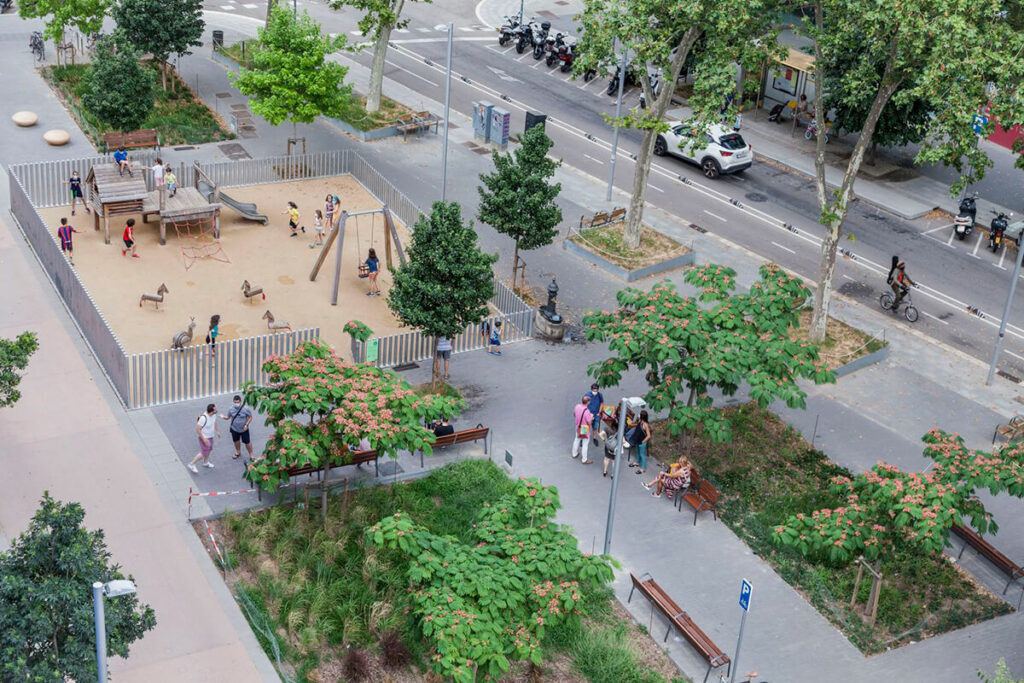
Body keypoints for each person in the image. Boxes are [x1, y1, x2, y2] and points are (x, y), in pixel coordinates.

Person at [188, 403, 220, 473]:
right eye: (215, 410)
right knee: (203, 453)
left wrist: (217, 431)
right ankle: (192, 464)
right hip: (204, 437)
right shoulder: (203, 418)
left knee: (209, 450)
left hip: (210, 436)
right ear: (211, 411)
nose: (216, 411)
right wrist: (204, 439)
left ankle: (206, 462)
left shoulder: (213, 415)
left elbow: (215, 422)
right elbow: (197, 429)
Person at [220, 395, 253, 460]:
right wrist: (223, 416)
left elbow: (250, 417)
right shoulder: (231, 409)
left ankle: (251, 455)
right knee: (236, 441)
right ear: (233, 402)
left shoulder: (246, 409)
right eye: (235, 402)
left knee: (247, 442)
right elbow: (228, 417)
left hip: (244, 429)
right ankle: (238, 452)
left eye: (237, 402)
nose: (236, 404)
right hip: (234, 429)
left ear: (240, 401)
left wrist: (246, 424)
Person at [627, 410, 652, 475]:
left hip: (642, 442)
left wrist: (643, 441)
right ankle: (637, 462)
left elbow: (649, 436)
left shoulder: (645, 425)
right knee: (638, 452)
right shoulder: (640, 421)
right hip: (638, 440)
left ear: (642, 416)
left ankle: (643, 468)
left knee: (642, 455)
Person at [571, 395, 594, 464]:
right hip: (584, 428)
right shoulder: (587, 411)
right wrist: (592, 417)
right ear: (588, 402)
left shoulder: (577, 406)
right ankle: (584, 459)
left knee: (577, 439)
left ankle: (574, 453)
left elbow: (574, 415)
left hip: (578, 427)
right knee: (585, 444)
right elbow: (589, 422)